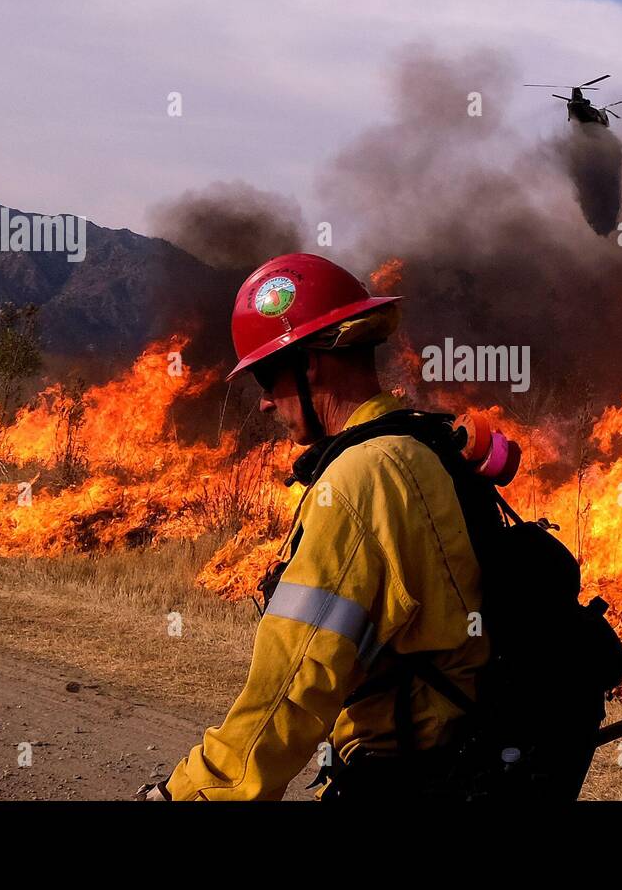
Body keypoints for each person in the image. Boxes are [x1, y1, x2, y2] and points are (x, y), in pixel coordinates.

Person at [140, 252, 488, 801]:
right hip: (470, 762)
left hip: (407, 781)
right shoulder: (422, 445)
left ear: (309, 365)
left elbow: (295, 681)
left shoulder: (360, 477)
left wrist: (194, 793)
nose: (261, 403)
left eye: (266, 376)